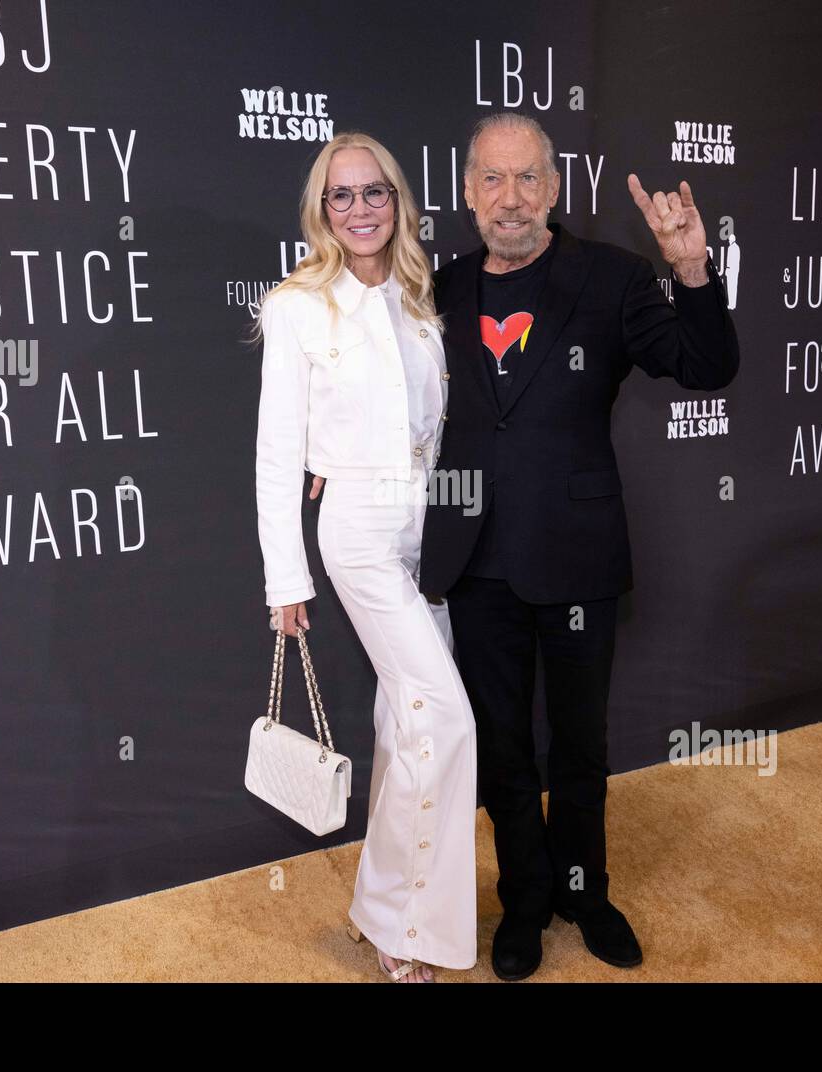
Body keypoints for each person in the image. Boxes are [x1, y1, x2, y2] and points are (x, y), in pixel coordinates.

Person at [418, 112, 740, 980]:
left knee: (579, 745)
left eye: (528, 179)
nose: (510, 198)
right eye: (492, 179)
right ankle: (523, 901)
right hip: (473, 559)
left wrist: (691, 268)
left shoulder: (614, 278)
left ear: (556, 189)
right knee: (501, 748)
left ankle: (583, 891)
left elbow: (707, 367)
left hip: (576, 559)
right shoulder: (438, 291)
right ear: (467, 190)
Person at [253, 131, 477, 982]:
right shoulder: (298, 306)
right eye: (340, 197)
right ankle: (404, 926)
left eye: (373, 192)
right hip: (355, 529)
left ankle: (387, 902)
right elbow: (279, 452)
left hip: (431, 528)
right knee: (444, 720)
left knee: (404, 722)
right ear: (322, 210)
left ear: (397, 199)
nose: (358, 211)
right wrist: (286, 576)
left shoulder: (424, 297)